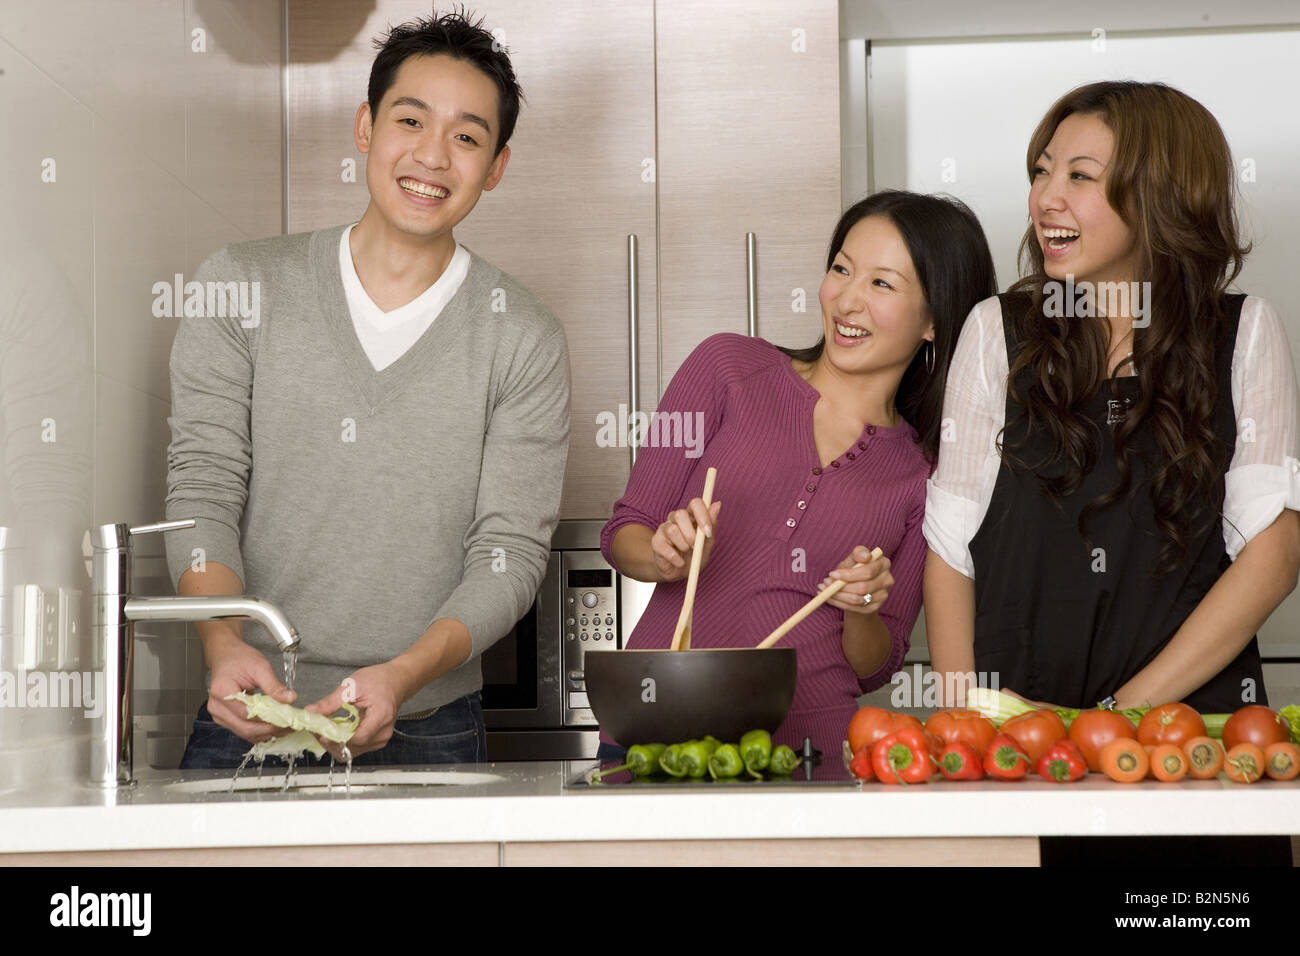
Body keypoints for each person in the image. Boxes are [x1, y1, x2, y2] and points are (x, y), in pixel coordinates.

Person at [166, 12, 570, 768]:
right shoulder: (240, 284)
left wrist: (404, 676)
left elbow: (509, 555)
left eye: (467, 136)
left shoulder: (524, 336)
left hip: (431, 726)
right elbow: (203, 490)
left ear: (497, 165)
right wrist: (222, 644)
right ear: (365, 126)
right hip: (247, 710)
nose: (432, 156)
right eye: (410, 120)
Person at [923, 81, 1298, 864]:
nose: (1045, 197)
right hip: (1026, 765)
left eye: (1080, 177)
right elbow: (950, 547)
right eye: (1041, 170)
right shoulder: (998, 333)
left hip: (1187, 758)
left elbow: (1274, 553)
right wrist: (960, 725)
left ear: (1160, 195)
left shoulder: (1243, 334)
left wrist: (1118, 717)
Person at [599, 191, 997, 758]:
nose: (846, 300)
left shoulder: (923, 478)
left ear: (934, 319)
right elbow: (624, 533)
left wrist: (859, 609)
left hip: (803, 753)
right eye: (841, 269)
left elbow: (875, 666)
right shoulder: (725, 367)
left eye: (882, 284)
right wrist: (663, 554)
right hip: (650, 730)